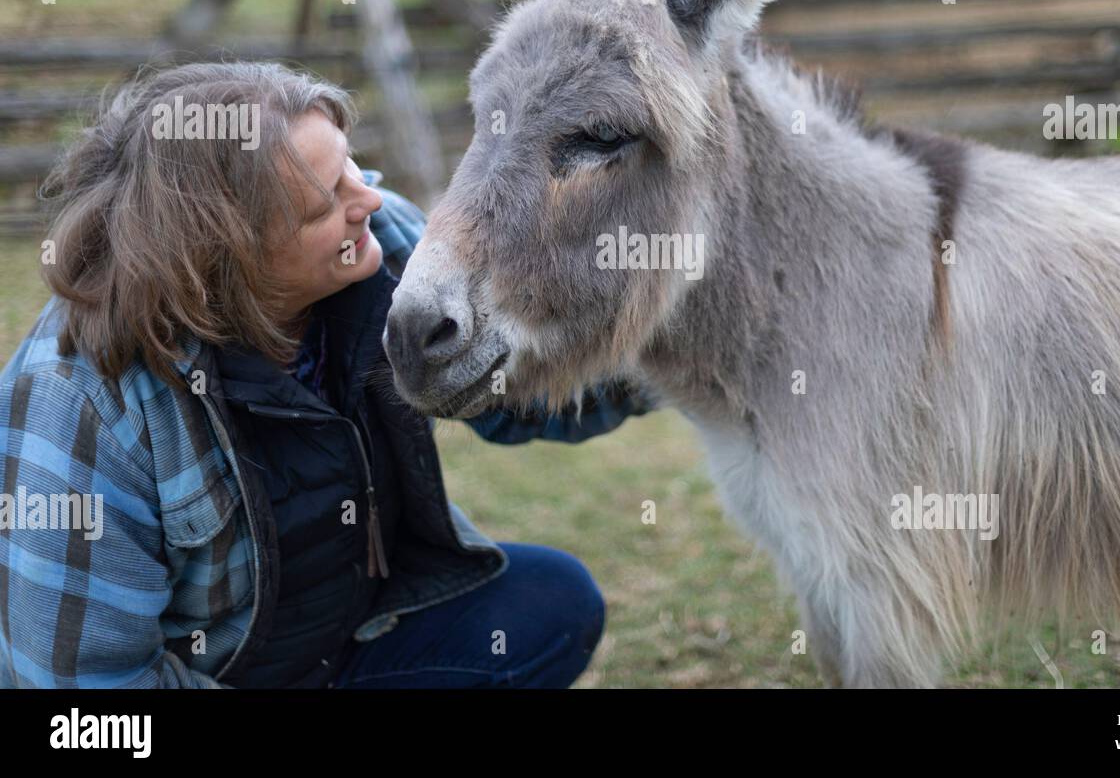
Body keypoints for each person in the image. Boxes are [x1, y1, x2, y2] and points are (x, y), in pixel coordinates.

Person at [0, 61, 649, 688]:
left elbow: (505, 394)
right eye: (323, 202)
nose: (367, 196)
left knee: (549, 603)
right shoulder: (82, 404)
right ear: (226, 252)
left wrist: (670, 359)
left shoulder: (380, 242)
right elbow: (85, 691)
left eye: (350, 164)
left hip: (346, 636)